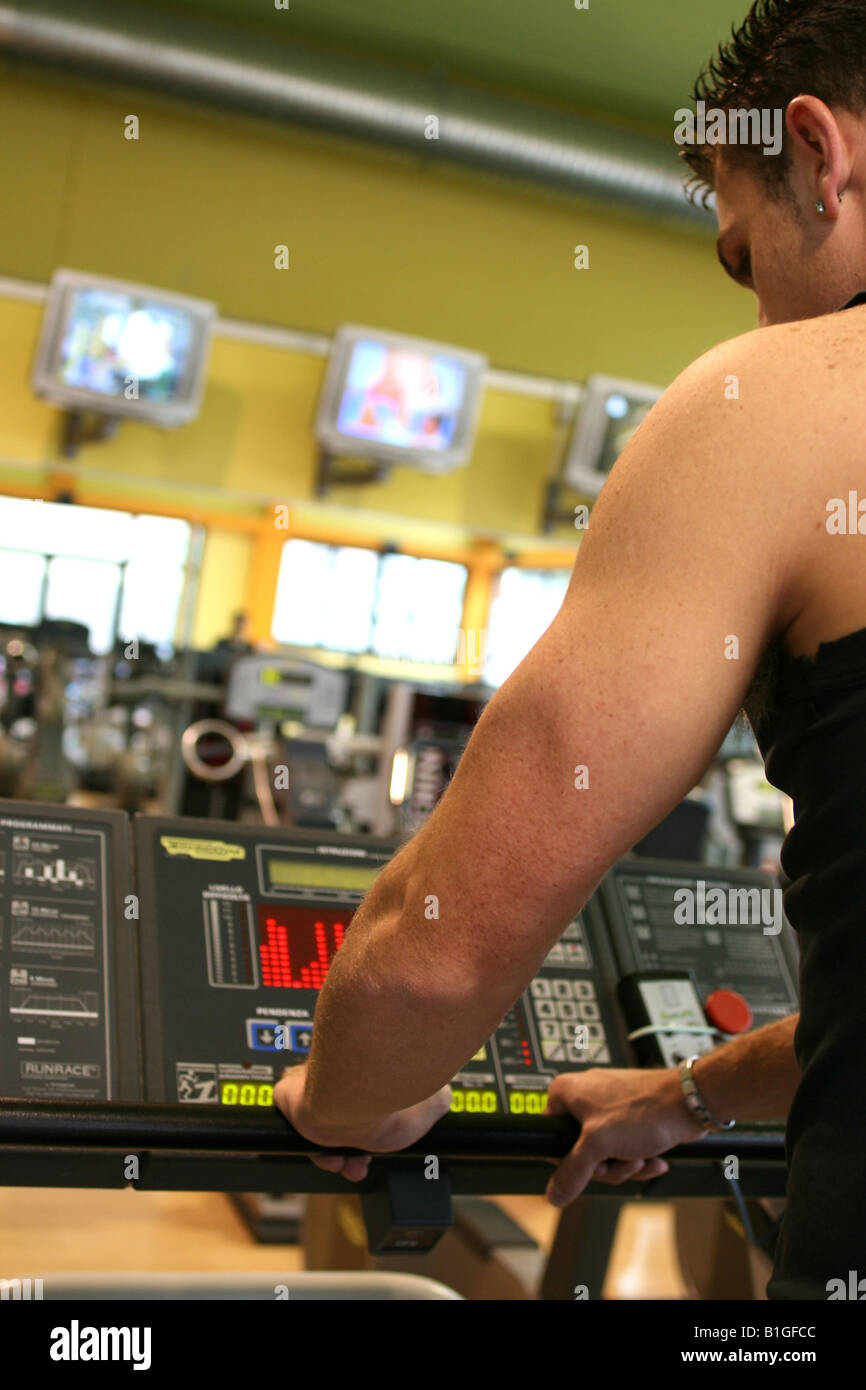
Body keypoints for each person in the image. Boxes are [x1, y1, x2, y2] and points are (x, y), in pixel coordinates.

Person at [275, 0, 866, 1300]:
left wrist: (344, 1092)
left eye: (743, 252)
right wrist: (689, 1093)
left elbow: (440, 945)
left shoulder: (776, 398)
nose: (757, 302)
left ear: (820, 157)